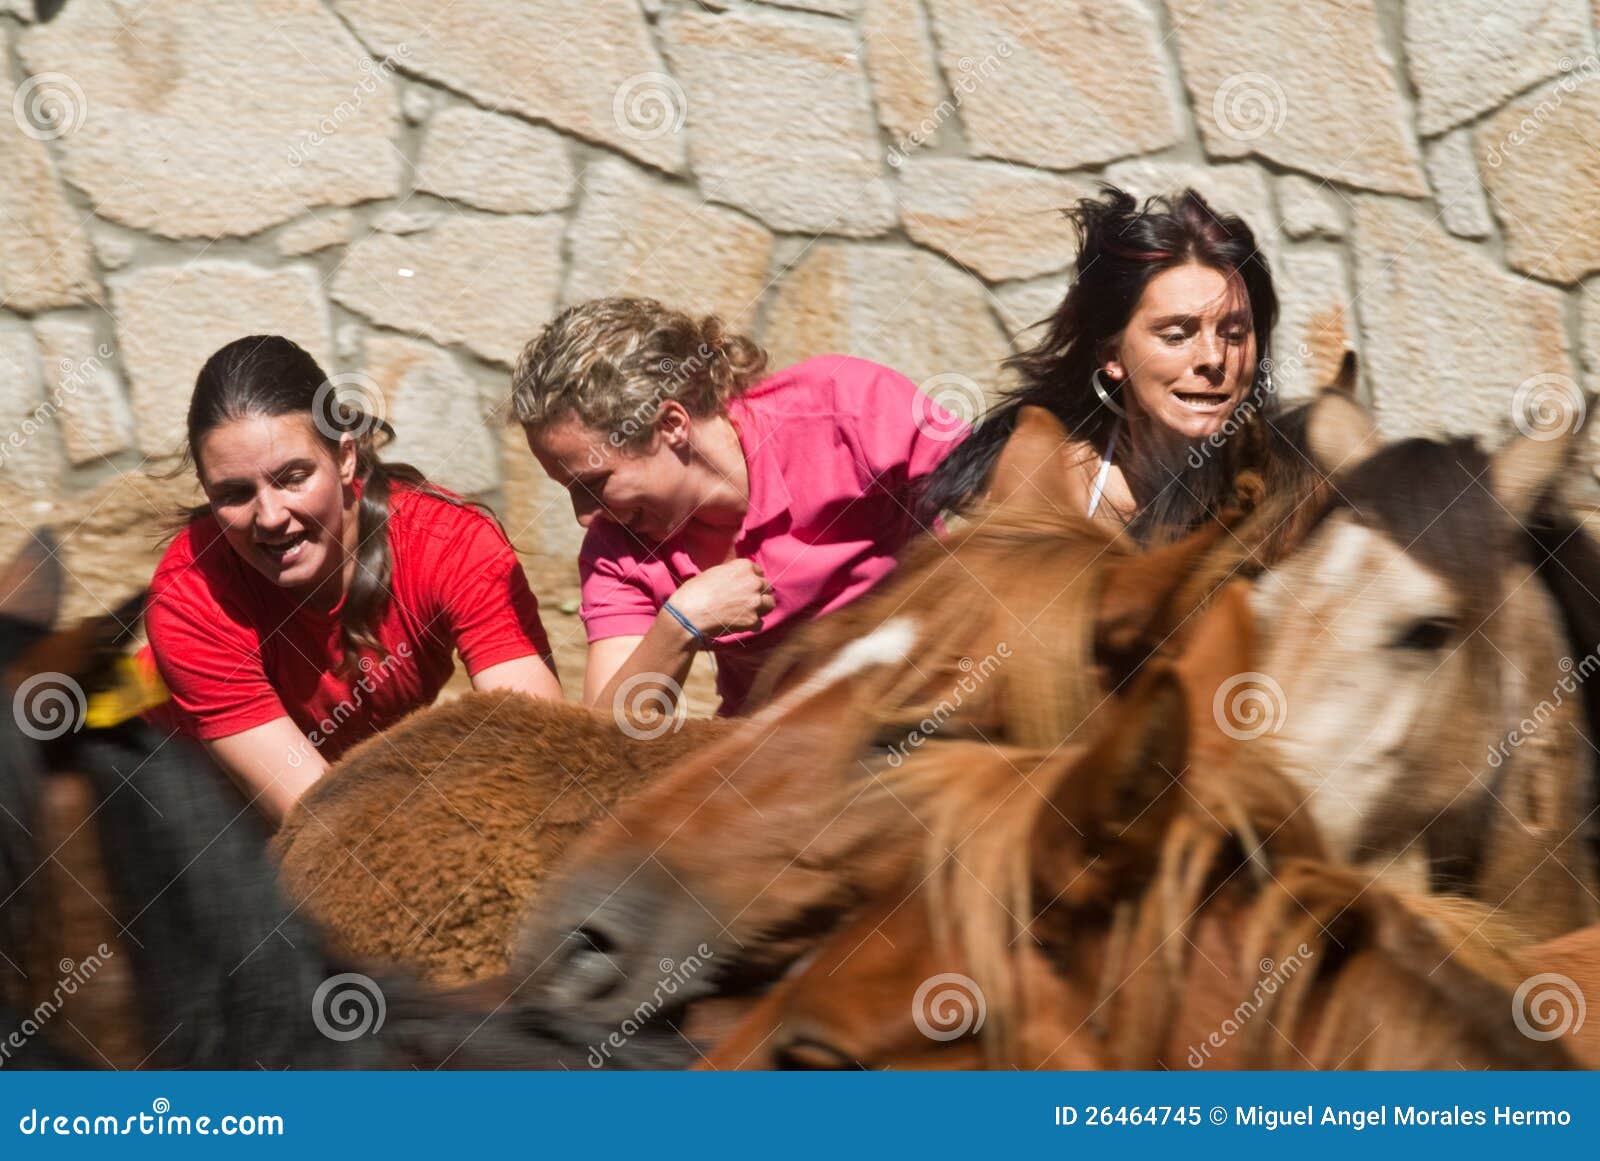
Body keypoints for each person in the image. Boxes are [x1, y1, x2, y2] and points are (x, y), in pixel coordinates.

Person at [144, 335, 561, 822]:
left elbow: (540, 746)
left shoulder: (448, 545)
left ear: (344, 457)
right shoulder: (190, 597)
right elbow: (322, 823)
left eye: (292, 477)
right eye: (234, 493)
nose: (270, 516)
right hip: (180, 786)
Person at [513, 297, 965, 718]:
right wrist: (680, 625)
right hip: (777, 759)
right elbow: (606, 734)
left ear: (671, 424)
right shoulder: (617, 550)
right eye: (568, 490)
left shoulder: (842, 407)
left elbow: (1014, 489)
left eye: (593, 484)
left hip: (931, 707)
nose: (584, 516)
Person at [922, 185, 1288, 541]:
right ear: (1111, 356)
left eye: (1235, 334)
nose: (1212, 358)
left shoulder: (1285, 478)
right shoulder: (1049, 473)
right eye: (1176, 335)